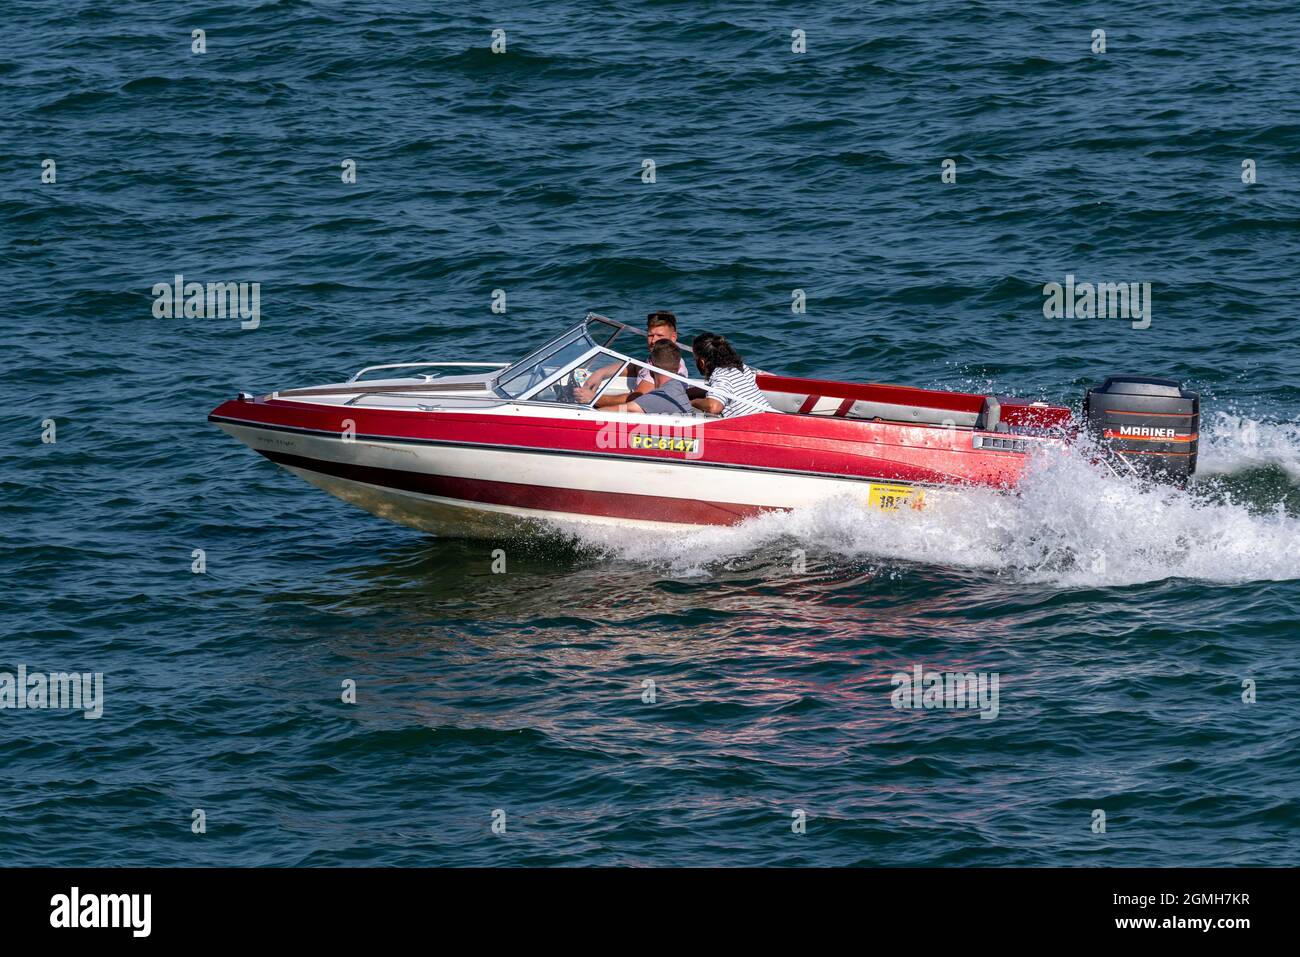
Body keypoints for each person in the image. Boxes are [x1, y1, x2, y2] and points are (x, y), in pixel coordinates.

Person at [575, 310, 689, 407]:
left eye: (659, 336)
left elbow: (638, 397)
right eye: (650, 335)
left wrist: (595, 398)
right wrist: (601, 372)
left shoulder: (664, 365)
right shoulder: (655, 358)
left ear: (673, 337)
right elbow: (636, 367)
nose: (653, 341)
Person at [689, 333, 775, 417]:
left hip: (755, 426)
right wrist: (687, 393)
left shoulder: (721, 375)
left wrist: (692, 402)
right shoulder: (740, 367)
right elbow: (720, 388)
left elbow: (714, 407)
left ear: (702, 363)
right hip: (770, 417)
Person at [607, 340, 692, 414]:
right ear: (679, 367)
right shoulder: (678, 386)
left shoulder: (660, 396)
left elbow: (624, 409)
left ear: (650, 366)